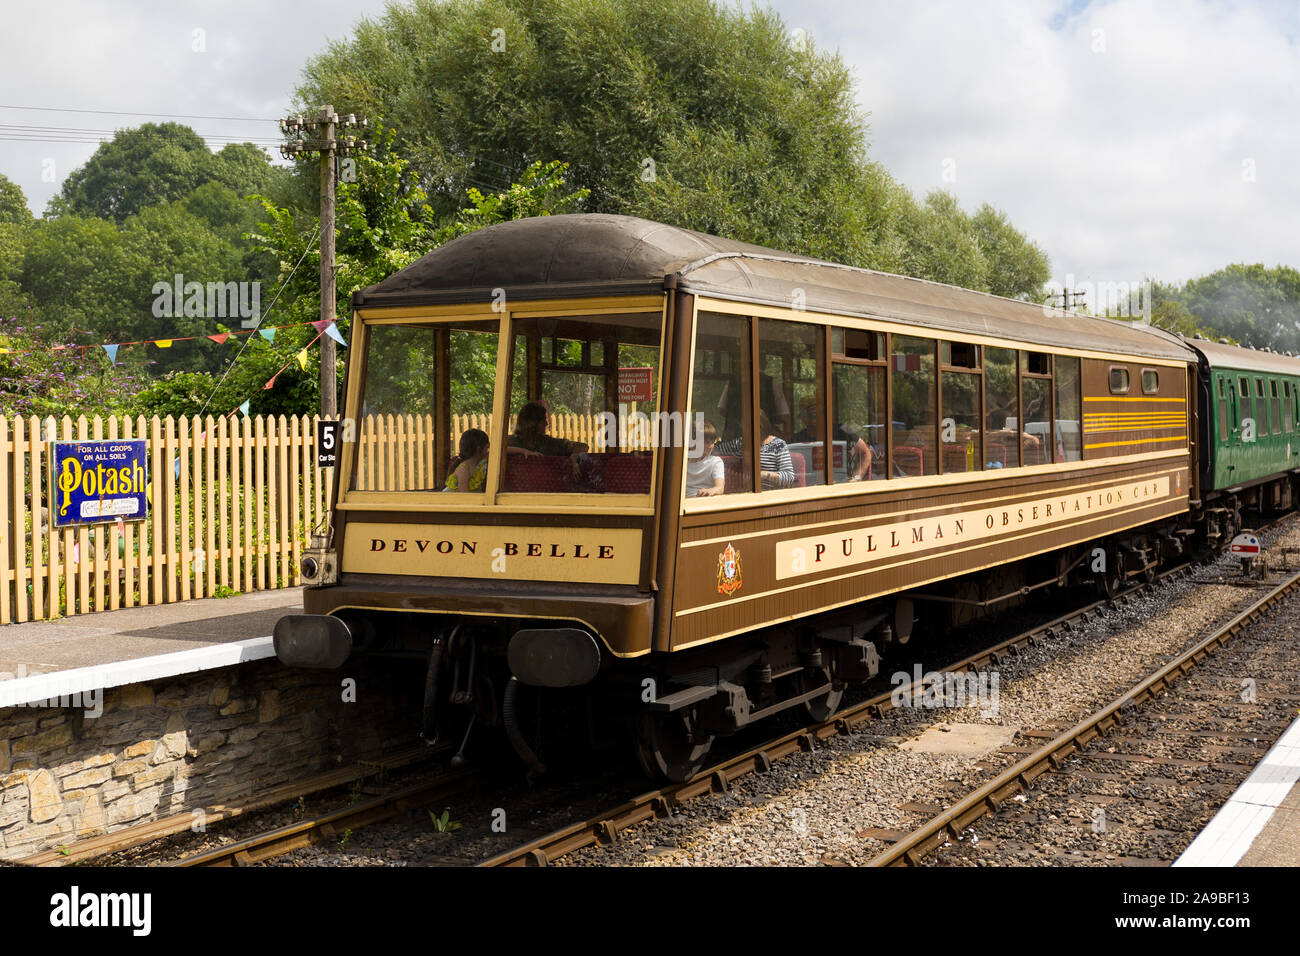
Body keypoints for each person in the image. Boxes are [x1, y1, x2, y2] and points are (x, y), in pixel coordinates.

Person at [790, 398, 872, 481]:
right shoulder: (797, 438)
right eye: (805, 415)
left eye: (814, 414)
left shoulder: (843, 430)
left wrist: (856, 477)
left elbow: (866, 452)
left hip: (842, 484)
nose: (810, 419)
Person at [717, 410, 794, 490]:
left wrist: (762, 475)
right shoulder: (741, 443)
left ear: (763, 425)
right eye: (745, 426)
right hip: (745, 493)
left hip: (772, 495)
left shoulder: (779, 445)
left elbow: (789, 477)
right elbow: (715, 449)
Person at [507, 401, 589, 457]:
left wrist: (574, 456)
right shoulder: (512, 442)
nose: (546, 424)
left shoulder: (549, 443)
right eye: (544, 420)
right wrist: (523, 451)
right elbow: (496, 451)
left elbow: (584, 447)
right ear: (533, 423)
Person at [685, 420, 725, 498]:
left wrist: (709, 491)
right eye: (706, 442)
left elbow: (720, 488)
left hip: (701, 503)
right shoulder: (682, 462)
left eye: (713, 442)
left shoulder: (715, 462)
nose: (711, 446)